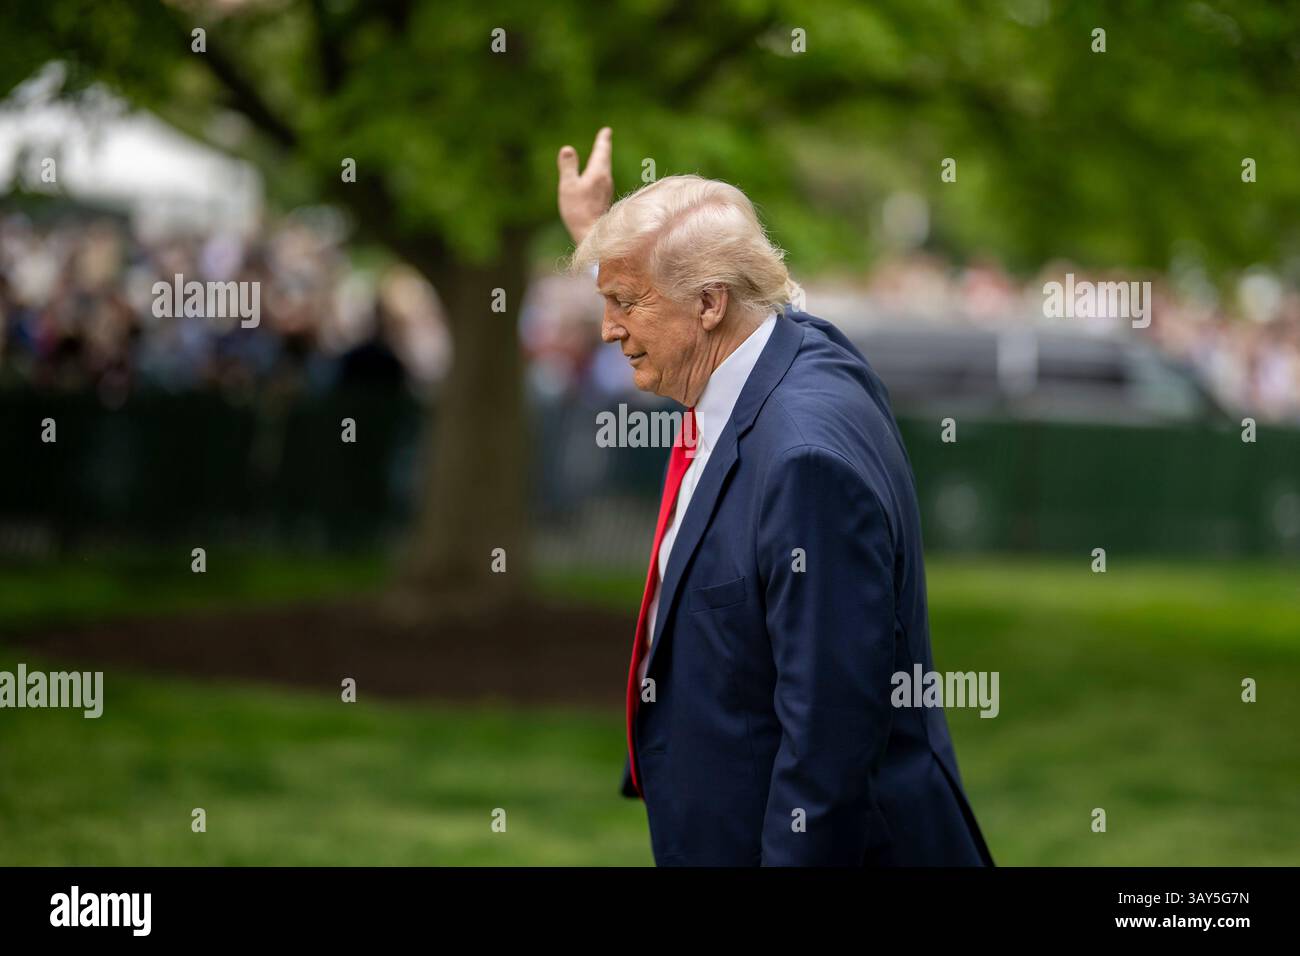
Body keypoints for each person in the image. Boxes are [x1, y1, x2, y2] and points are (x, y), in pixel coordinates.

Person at [556, 128, 994, 866]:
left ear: (708, 304)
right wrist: (604, 240)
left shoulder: (804, 464)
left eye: (625, 301)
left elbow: (828, 743)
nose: (609, 329)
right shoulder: (776, 348)